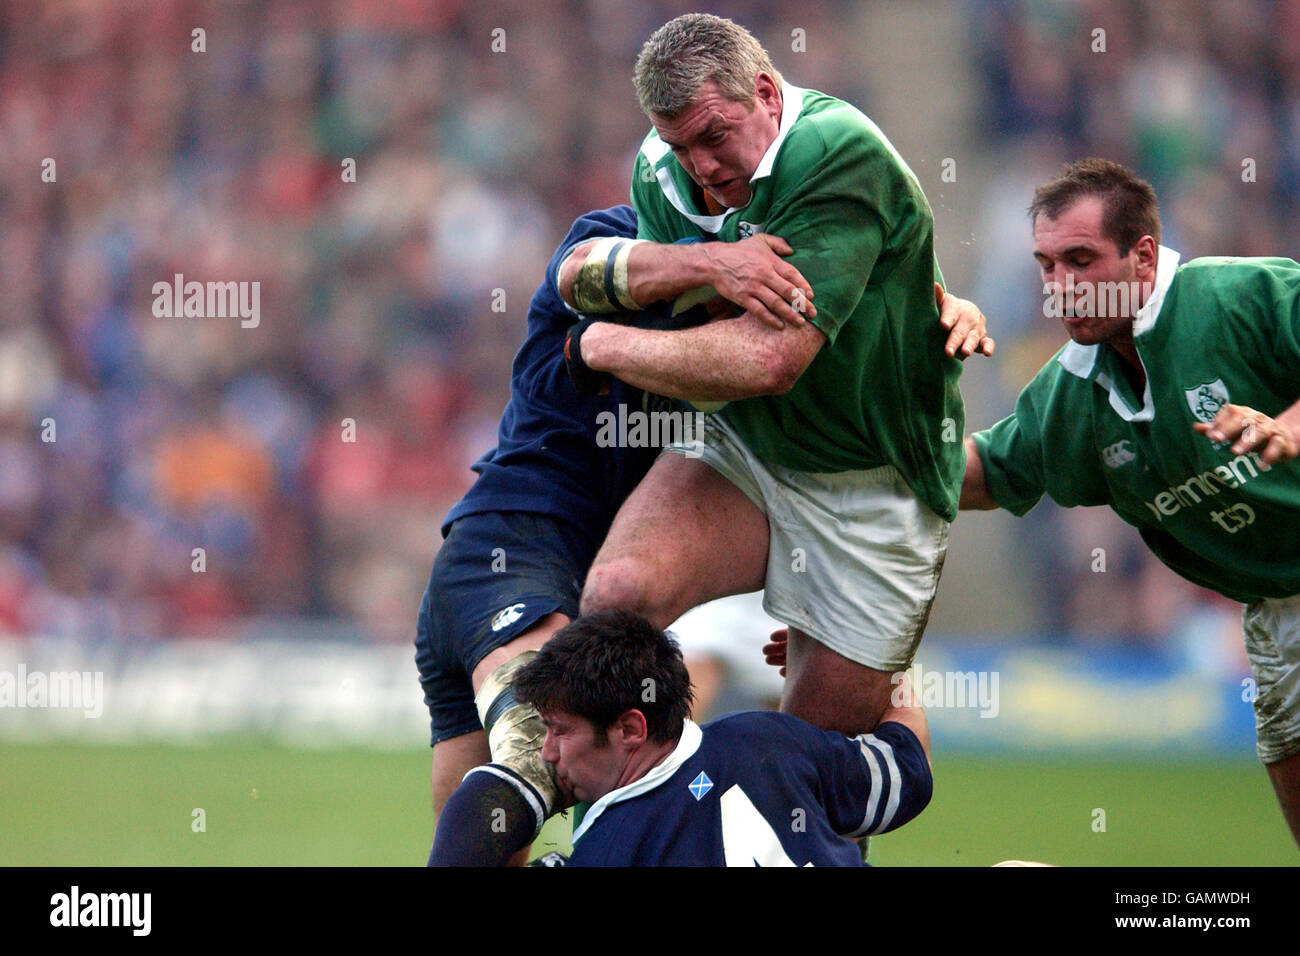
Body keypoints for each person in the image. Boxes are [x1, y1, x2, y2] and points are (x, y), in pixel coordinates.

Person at [418, 204, 989, 864]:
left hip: (514, 573)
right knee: (540, 751)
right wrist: (717, 267)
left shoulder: (775, 297)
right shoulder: (622, 238)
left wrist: (932, 314)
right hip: (513, 552)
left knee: (506, 819)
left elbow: (840, 331)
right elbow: (584, 271)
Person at [558, 13, 986, 745]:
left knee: (808, 768)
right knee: (616, 597)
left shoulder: (835, 151)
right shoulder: (659, 169)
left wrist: (602, 346)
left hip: (875, 481)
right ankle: (641, 823)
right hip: (746, 451)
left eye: (714, 136)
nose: (700, 165)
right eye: (678, 144)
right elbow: (659, 312)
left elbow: (769, 360)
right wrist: (703, 272)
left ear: (763, 91)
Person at [959, 156, 1300, 848]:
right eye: (1047, 267)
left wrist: (1286, 427)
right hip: (1276, 611)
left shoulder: (1240, 294)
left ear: (1143, 256)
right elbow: (987, 474)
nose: (1061, 289)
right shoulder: (1069, 391)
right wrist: (872, 435)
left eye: (1080, 261)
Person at [517, 609, 933, 866]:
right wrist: (870, 673)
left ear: (630, 729)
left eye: (560, 731)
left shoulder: (606, 850)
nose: (547, 752)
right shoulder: (767, 738)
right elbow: (908, 770)